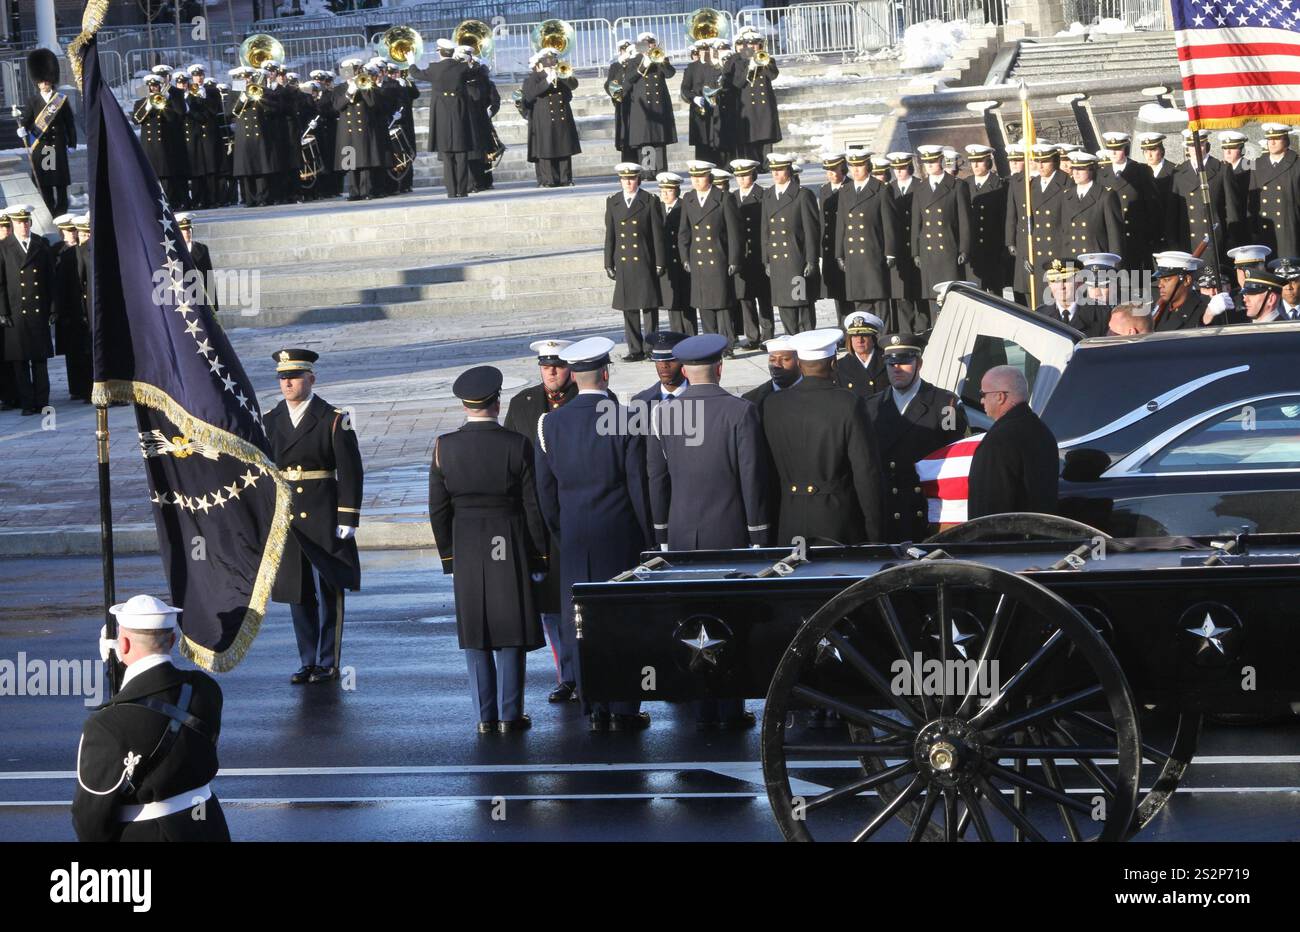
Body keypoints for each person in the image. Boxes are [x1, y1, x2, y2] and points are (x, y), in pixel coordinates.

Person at [646, 333, 768, 730]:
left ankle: (700, 702)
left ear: (683, 370)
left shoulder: (663, 415)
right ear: (720, 367)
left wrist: (662, 533)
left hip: (682, 533)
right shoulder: (740, 411)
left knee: (691, 623)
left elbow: (657, 479)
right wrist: (759, 536)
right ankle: (731, 707)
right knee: (729, 622)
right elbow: (752, 478)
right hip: (729, 530)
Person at [534, 337, 654, 732]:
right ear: (606, 373)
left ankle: (594, 705)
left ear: (575, 376)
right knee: (623, 623)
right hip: (620, 534)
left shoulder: (551, 423)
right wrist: (648, 537)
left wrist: (562, 531)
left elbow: (546, 493)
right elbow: (638, 483)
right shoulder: (626, 418)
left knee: (580, 623)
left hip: (575, 537)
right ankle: (624, 706)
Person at [430, 366, 547, 735]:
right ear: (497, 402)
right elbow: (532, 506)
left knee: (476, 632)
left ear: (465, 404)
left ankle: (485, 715)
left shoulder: (443, 447)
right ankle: (511, 715)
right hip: (508, 539)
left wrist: (449, 556)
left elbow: (438, 509)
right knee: (510, 629)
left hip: (466, 543)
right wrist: (539, 555)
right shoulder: (517, 445)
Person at [72, 594, 230, 842]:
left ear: (122, 645)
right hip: (208, 825)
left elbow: (90, 820)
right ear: (173, 639)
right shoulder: (206, 689)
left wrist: (117, 668)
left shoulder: (107, 724)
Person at [264, 349, 364, 684]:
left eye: (293, 376)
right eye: (282, 377)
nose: (287, 382)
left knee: (329, 587)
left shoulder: (334, 417)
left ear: (311, 378)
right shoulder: (271, 419)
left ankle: (328, 660)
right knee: (298, 590)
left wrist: (348, 517)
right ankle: (307, 659)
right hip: (288, 516)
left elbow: (350, 470)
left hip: (323, 512)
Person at [503, 339, 578, 702]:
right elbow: (511, 461)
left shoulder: (588, 397)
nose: (550, 371)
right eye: (545, 365)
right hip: (538, 521)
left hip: (577, 514)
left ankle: (588, 670)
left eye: (558, 365)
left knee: (582, 601)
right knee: (550, 606)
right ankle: (567, 675)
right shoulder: (522, 404)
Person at [762, 328, 885, 546]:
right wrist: (876, 530)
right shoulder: (848, 403)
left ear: (800, 364)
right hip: (838, 519)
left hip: (790, 518)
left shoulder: (772, 403)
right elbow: (866, 470)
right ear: (833, 364)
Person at [866, 333, 967, 542]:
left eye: (904, 362)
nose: (896, 369)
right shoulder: (871, 406)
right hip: (888, 508)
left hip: (926, 507)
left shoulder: (944, 404)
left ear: (919, 364)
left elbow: (955, 457)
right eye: (890, 363)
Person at [967, 365, 1058, 518]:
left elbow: (988, 507)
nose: (981, 400)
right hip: (1039, 533)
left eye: (983, 394)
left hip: (1006, 537)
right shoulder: (1043, 432)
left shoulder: (999, 441)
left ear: (1000, 396)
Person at [679, 159, 742, 354]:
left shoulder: (723, 198)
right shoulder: (689, 198)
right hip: (698, 260)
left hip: (719, 258)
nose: (696, 181)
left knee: (722, 304)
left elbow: (734, 232)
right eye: (693, 177)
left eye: (701, 176)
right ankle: (709, 343)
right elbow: (684, 231)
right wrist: (685, 257)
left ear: (709, 177)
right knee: (704, 304)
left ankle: (726, 344)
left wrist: (734, 259)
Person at [605, 162, 664, 362]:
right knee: (628, 308)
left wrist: (660, 262)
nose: (628, 182)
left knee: (648, 308)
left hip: (645, 260)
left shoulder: (649, 200)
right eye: (624, 179)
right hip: (624, 263)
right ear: (620, 180)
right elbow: (610, 235)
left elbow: (657, 234)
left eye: (631, 179)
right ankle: (635, 349)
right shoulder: (613, 202)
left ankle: (651, 347)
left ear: (638, 179)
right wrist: (608, 263)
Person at [0, 205, 55, 415]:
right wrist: (3, 311)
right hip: (15, 311)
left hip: (38, 310)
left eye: (25, 221)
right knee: (20, 361)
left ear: (30, 222)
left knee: (39, 360)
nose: (23, 226)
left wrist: (52, 307)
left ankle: (42, 401)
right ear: (13, 224)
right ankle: (27, 403)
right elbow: (1, 283)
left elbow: (50, 278)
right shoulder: (4, 247)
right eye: (18, 222)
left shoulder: (41, 244)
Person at [911, 144, 972, 328]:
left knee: (951, 295)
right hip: (928, 251)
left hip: (949, 249)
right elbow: (917, 223)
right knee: (932, 298)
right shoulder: (921, 188)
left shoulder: (956, 185)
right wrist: (916, 252)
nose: (929, 165)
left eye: (933, 161)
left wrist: (964, 248)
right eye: (926, 162)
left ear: (940, 160)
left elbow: (964, 221)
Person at [836, 147, 898, 320]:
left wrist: (890, 252)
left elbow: (888, 223)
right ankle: (867, 337)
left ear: (868, 166)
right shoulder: (845, 191)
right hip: (853, 255)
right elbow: (842, 225)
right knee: (861, 301)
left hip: (873, 252)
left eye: (860, 166)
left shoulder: (880, 189)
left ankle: (883, 339)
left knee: (879, 300)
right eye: (852, 166)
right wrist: (839, 253)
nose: (855, 170)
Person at [762, 152, 821, 334]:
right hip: (778, 261)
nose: (776, 174)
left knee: (801, 304)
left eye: (779, 170)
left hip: (797, 260)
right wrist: (766, 259)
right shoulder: (769, 195)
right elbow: (765, 230)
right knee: (784, 305)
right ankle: (791, 340)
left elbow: (811, 231)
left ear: (788, 171)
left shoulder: (802, 195)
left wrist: (811, 260)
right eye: (773, 171)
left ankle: (808, 342)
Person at [1007, 143, 1070, 307]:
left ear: (1055, 161)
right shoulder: (1032, 185)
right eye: (1038, 161)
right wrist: (1027, 253)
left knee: (1056, 303)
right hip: (1036, 252)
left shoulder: (1067, 183)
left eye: (1045, 161)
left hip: (1057, 251)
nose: (1040, 166)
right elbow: (1029, 225)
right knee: (1035, 305)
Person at [15, 49, 76, 217]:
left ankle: (62, 211)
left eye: (46, 80)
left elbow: (70, 123)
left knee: (60, 182)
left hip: (57, 145)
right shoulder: (32, 100)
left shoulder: (60, 99)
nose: (44, 83)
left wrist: (72, 143)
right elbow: (27, 120)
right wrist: (22, 130)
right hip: (41, 145)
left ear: (51, 80)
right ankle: (50, 211)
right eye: (41, 80)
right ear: (37, 82)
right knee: (45, 182)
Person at [416, 38, 473, 199]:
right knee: (461, 154)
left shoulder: (434, 68)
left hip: (441, 115)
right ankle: (462, 190)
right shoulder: (461, 67)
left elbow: (416, 74)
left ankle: (451, 191)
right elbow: (478, 72)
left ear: (440, 51)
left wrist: (411, 62)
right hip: (459, 113)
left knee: (447, 156)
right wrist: (469, 61)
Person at [1097, 130, 1157, 273]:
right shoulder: (1101, 174)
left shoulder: (1141, 171)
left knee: (1139, 288)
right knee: (1116, 286)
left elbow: (1152, 205)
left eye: (1117, 149)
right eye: (1110, 149)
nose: (1113, 153)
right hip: (1113, 239)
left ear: (1126, 149)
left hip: (1136, 238)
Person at [522, 49, 580, 188]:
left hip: (562, 117)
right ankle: (549, 180)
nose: (552, 65)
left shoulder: (561, 75)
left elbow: (570, 94)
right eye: (548, 63)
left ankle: (565, 178)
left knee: (564, 148)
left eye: (554, 61)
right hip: (544, 118)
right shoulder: (533, 79)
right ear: (540, 64)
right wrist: (547, 80)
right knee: (547, 149)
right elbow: (530, 96)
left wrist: (562, 78)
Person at [722, 29, 781, 164]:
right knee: (750, 137)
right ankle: (753, 165)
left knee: (766, 137)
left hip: (764, 106)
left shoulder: (767, 58)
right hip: (748, 105)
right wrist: (750, 67)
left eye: (756, 43)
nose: (753, 46)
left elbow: (773, 75)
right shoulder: (737, 60)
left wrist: (763, 62)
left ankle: (766, 165)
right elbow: (737, 83)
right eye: (749, 43)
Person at [1168, 129, 1229, 260]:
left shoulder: (1221, 169)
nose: (1195, 149)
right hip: (1188, 239)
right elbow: (1173, 212)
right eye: (1191, 146)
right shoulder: (1178, 173)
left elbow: (1231, 209)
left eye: (1200, 145)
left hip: (1213, 240)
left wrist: (1232, 239)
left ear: (1206, 145)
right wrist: (1173, 242)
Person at [730, 158, 771, 345]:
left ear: (753, 175)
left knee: (764, 296)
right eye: (738, 176)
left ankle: (768, 334)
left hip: (759, 253)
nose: (741, 179)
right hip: (741, 255)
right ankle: (752, 336)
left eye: (745, 175)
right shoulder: (732, 197)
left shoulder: (764, 195)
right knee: (745, 297)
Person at [331, 59, 384, 202]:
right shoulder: (339, 89)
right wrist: (349, 92)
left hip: (362, 129)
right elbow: (337, 107)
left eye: (356, 69)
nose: (354, 72)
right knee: (351, 162)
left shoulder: (366, 85)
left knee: (364, 161)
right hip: (347, 130)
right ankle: (354, 192)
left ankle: (366, 191)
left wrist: (363, 86)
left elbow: (372, 103)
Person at [623, 33, 676, 175]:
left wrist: (660, 61)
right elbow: (628, 80)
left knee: (659, 140)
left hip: (658, 106)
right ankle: (648, 171)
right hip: (643, 107)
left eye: (651, 42)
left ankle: (661, 170)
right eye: (645, 43)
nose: (649, 45)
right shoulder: (634, 61)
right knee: (645, 140)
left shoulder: (660, 58)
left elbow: (670, 73)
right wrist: (643, 66)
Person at [51, 214, 90, 402]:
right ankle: (77, 387)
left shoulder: (86, 250)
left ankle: (87, 386)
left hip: (85, 306)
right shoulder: (58, 252)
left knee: (86, 350)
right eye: (69, 230)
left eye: (74, 230)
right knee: (73, 351)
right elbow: (58, 284)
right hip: (70, 307)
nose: (72, 234)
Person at [133, 73, 186, 206]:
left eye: (156, 85)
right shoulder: (141, 102)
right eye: (151, 86)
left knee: (166, 175)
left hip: (164, 145)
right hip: (149, 146)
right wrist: (147, 107)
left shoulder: (166, 102)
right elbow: (136, 120)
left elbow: (174, 118)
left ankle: (169, 203)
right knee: (152, 176)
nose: (154, 88)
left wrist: (165, 103)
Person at [1059, 150, 1123, 260]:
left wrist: (1115, 266)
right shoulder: (1067, 195)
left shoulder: (1105, 195)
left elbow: (1114, 235)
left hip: (1095, 259)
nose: (1076, 173)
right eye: (1074, 169)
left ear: (1091, 170)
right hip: (1072, 259)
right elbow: (1065, 232)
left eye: (1080, 169)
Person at [1249, 122, 1300, 258]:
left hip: (1289, 230)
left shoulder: (1296, 164)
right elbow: (1252, 201)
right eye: (1269, 139)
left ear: (1286, 140)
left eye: (1276, 139)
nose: (1272, 143)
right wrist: (1253, 230)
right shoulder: (1257, 164)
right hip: (1264, 230)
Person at [963, 143, 1007, 295]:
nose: (975, 165)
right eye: (972, 161)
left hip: (993, 248)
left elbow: (1004, 218)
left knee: (996, 294)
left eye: (979, 161)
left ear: (989, 162)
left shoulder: (999, 184)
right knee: (974, 292)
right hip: (973, 249)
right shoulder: (965, 184)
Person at [887, 151, 924, 331]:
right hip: (899, 247)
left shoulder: (920, 186)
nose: (899, 172)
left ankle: (923, 330)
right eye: (896, 168)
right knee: (902, 295)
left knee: (920, 293)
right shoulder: (889, 189)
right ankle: (906, 332)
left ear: (909, 166)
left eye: (902, 167)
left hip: (918, 245)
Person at [656, 171, 696, 335]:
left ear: (677, 191)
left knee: (686, 301)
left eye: (669, 190)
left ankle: (690, 335)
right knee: (671, 302)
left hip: (682, 260)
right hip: (667, 261)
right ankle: (676, 334)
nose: (665, 194)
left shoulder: (684, 207)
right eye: (663, 191)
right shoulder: (658, 209)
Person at [1035, 258, 1110, 336]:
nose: (1061, 286)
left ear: (1079, 283)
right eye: (1055, 281)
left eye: (1066, 280)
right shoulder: (1040, 315)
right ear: (1049, 284)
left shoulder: (1101, 314)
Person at [818, 152, 849, 317]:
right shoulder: (824, 190)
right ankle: (841, 323)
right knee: (836, 289)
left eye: (833, 170)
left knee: (849, 288)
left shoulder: (849, 186)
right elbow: (823, 220)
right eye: (827, 170)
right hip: (831, 245)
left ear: (842, 169)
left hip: (846, 244)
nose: (830, 174)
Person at [1151, 251, 1211, 331]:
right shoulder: (1159, 308)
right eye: (1160, 280)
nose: (1160, 285)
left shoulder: (1204, 311)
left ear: (1186, 280)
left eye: (1166, 280)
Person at [463, 55, 498, 193]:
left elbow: (494, 101)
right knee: (472, 154)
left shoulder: (487, 83)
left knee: (485, 152)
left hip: (483, 122)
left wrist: (491, 111)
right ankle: (474, 183)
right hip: (469, 122)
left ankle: (486, 181)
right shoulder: (464, 82)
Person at [742, 334, 800, 417]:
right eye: (772, 359)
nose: (777, 365)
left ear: (800, 361)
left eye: (785, 359)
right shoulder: (752, 400)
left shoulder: (817, 393)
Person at [834, 310, 887, 398]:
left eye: (865, 335)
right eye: (855, 336)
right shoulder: (841, 365)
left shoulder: (886, 361)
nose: (859, 340)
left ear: (873, 338)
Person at [633, 331, 689, 407]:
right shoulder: (641, 401)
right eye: (658, 360)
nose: (664, 365)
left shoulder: (704, 397)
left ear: (684, 360)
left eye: (671, 359)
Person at [176, 212, 217, 313]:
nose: (187, 233)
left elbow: (208, 276)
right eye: (184, 231)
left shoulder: (201, 249)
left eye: (189, 230)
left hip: (199, 296)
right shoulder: (174, 250)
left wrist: (213, 303)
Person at [605, 40, 636, 162]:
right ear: (620, 51)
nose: (626, 53)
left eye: (629, 50)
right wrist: (620, 66)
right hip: (624, 106)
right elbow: (611, 86)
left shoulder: (636, 63)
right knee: (626, 140)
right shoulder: (615, 66)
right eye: (624, 50)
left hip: (637, 106)